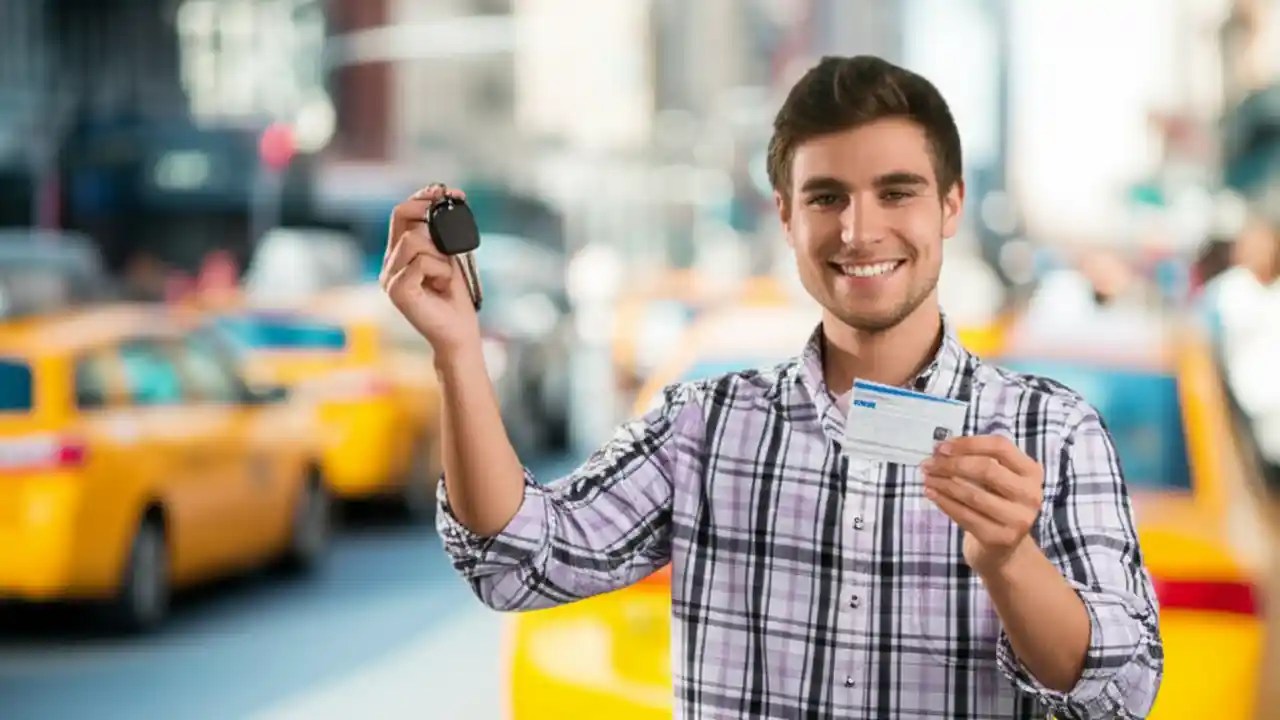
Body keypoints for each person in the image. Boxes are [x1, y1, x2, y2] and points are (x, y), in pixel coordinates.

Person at [381, 55, 1163, 719]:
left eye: (897, 192)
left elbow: (1121, 697)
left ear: (950, 205)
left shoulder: (1052, 431)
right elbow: (518, 559)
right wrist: (457, 348)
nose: (859, 231)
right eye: (827, 198)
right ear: (786, 216)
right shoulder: (703, 425)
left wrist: (1008, 559)